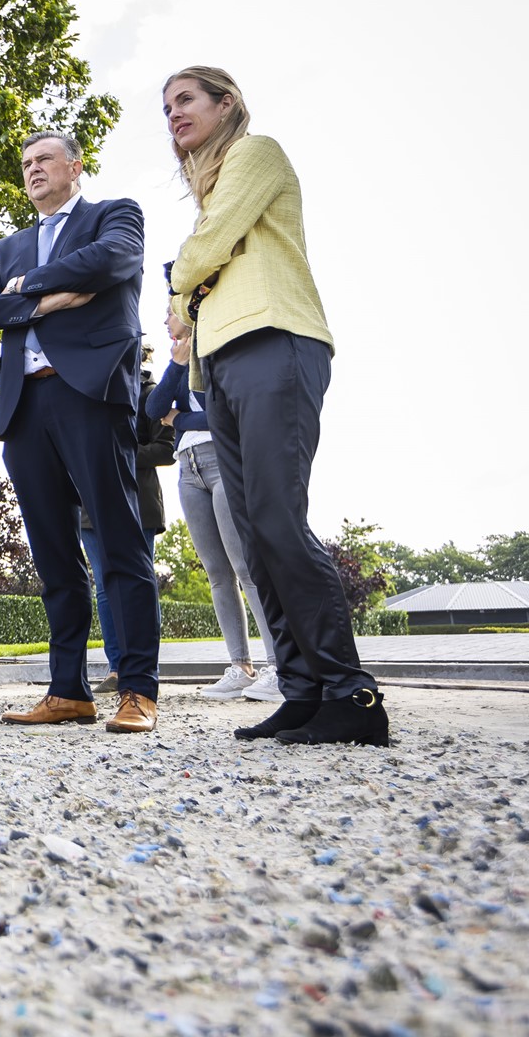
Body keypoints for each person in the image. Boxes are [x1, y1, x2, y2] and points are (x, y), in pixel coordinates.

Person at [164, 66, 388, 745]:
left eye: (186, 100)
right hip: (225, 361)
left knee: (277, 519)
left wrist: (179, 281)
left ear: (225, 103)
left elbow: (209, 248)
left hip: (276, 340)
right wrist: (186, 295)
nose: (173, 113)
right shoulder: (213, 186)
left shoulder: (255, 153)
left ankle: (352, 693)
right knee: (254, 534)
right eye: (166, 106)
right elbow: (196, 286)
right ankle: (303, 689)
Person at [0, 131, 163, 735]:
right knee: (52, 552)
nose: (31, 170)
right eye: (24, 164)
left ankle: (137, 690)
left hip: (89, 392)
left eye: (43, 160)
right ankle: (68, 691)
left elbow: (111, 263)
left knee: (120, 542)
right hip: (25, 406)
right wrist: (47, 301)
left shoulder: (114, 216)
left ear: (75, 167)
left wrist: (25, 287)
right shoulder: (7, 246)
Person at [144, 310, 282, 703]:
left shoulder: (216, 352)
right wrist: (177, 363)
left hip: (223, 462)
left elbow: (222, 415)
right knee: (217, 574)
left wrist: (182, 419)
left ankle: (280, 667)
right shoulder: (179, 361)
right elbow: (155, 410)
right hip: (188, 472)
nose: (165, 319)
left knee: (246, 567)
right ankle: (240, 666)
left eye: (171, 312)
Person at [80, 347, 176, 693]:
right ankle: (117, 667)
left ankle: (145, 667)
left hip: (139, 504)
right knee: (104, 586)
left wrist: (117, 456)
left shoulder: (152, 396)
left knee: (138, 581)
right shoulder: (90, 392)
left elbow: (166, 450)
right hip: (91, 506)